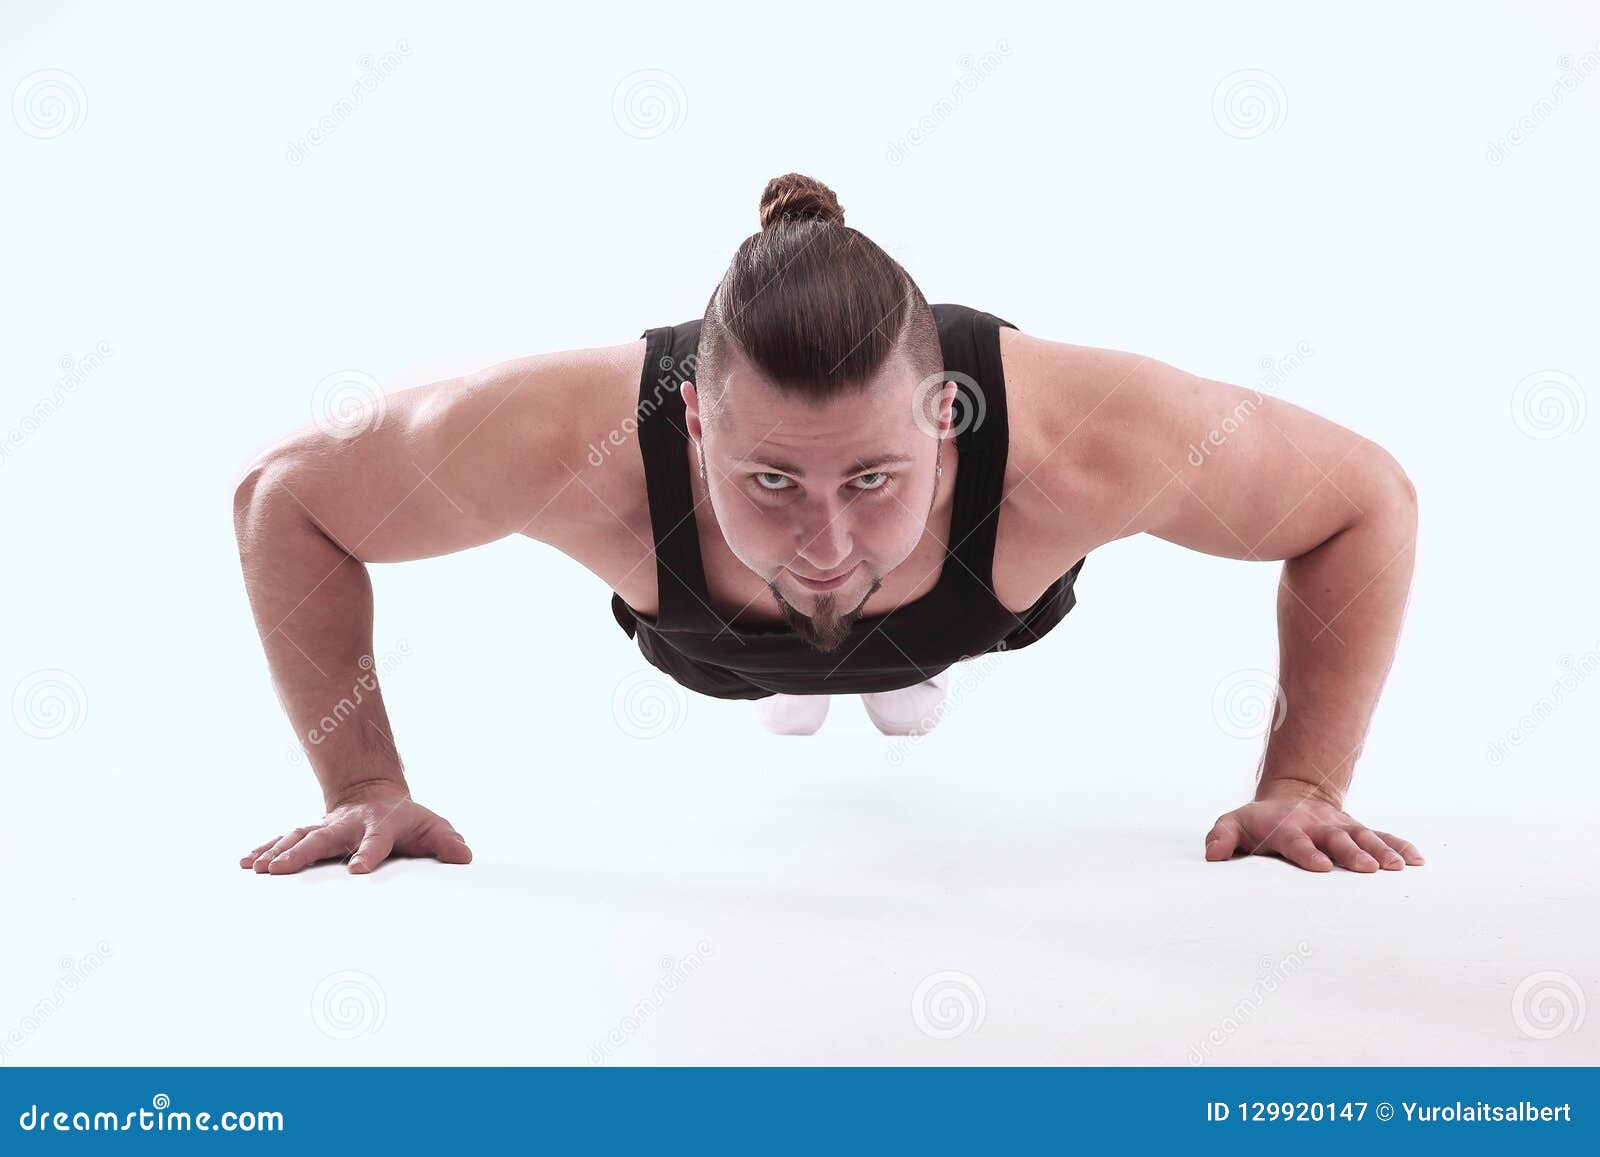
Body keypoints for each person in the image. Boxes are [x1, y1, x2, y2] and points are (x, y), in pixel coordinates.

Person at [233, 172, 1424, 878]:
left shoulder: (1087, 441)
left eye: (869, 478)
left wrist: (1306, 781)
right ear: (694, 422)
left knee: (910, 648)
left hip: (975, 614)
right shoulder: (568, 444)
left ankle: (892, 668)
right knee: (771, 672)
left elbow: (1363, 499)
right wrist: (364, 779)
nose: (824, 543)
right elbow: (284, 499)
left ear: (946, 415)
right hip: (712, 647)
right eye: (769, 482)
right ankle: (793, 679)